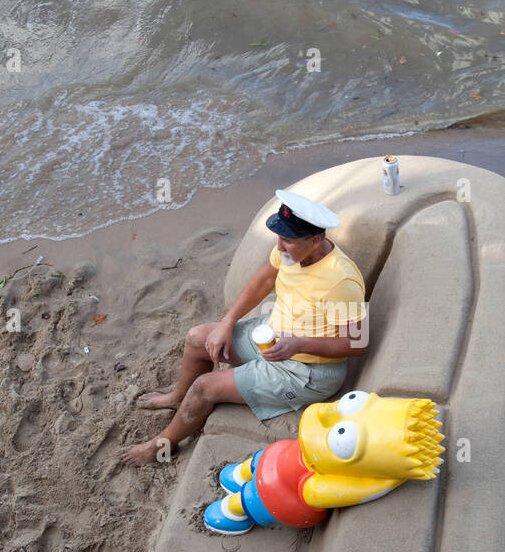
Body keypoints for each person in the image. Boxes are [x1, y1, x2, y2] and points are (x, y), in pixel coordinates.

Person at [120, 189, 368, 466]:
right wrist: (227, 323)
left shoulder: (339, 281)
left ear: (315, 240)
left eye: (287, 240)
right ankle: (178, 397)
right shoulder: (290, 254)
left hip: (306, 370)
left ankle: (162, 445)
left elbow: (357, 343)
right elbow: (263, 279)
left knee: (204, 387)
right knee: (196, 338)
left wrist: (299, 344)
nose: (279, 246)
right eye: (278, 237)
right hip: (273, 336)